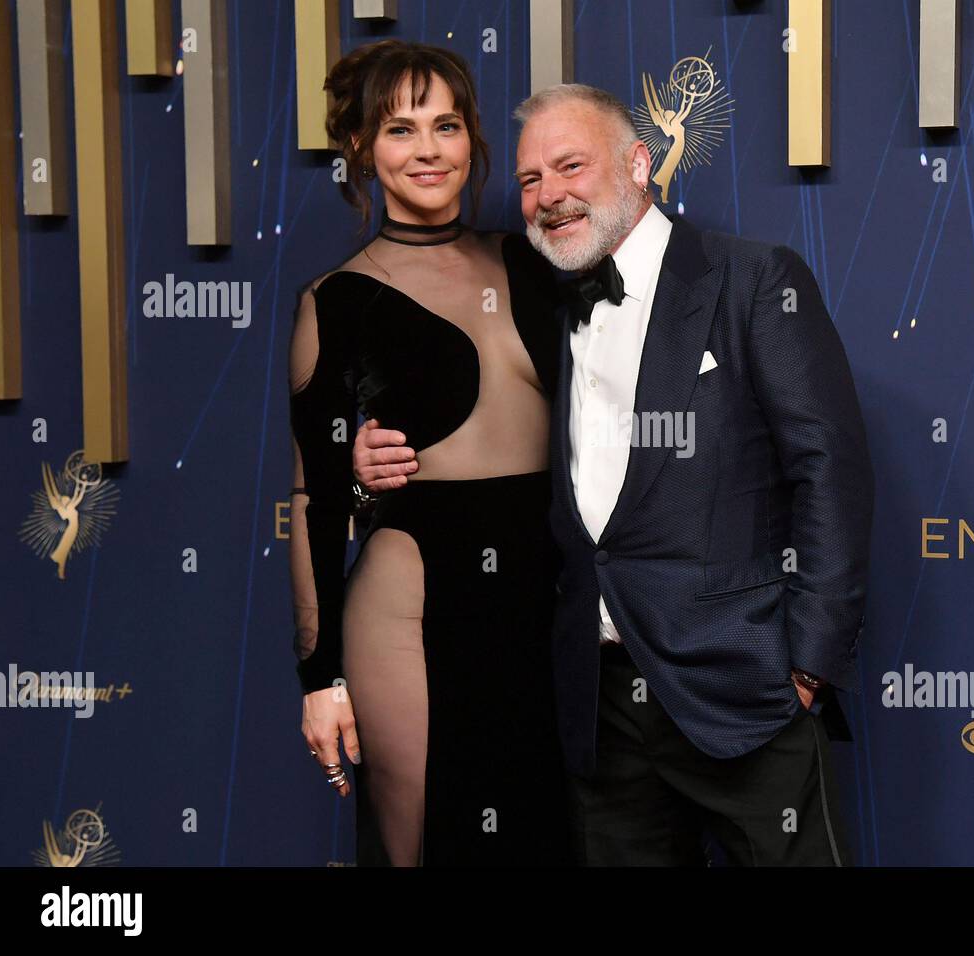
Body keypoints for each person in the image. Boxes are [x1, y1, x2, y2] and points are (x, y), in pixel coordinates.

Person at [354, 84, 874, 866]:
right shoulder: (536, 306)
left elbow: (828, 465)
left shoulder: (754, 278)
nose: (549, 195)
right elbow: (471, 440)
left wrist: (808, 666)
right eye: (530, 180)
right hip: (599, 707)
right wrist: (367, 462)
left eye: (570, 166)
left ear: (639, 165)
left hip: (744, 687)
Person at [287, 40, 571, 866]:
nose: (427, 149)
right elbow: (314, 502)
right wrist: (319, 679)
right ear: (361, 150)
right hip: (408, 603)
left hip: (547, 593)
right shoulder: (334, 302)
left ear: (472, 139)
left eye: (445, 125)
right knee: (420, 844)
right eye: (399, 129)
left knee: (547, 837)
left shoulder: (539, 259)